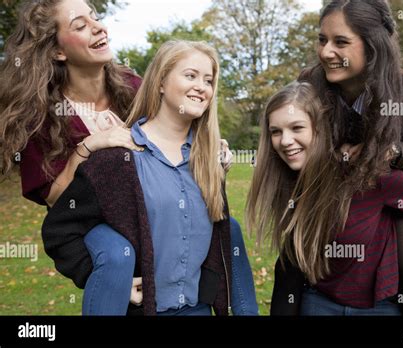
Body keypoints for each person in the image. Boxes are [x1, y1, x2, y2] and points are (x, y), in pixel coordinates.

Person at [0, 0, 257, 315]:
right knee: (116, 253)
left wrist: (207, 148)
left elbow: (170, 135)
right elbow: (59, 202)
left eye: (96, 18)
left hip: (148, 216)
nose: (98, 27)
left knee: (226, 227)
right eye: (80, 25)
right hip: (94, 220)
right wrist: (89, 147)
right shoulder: (41, 114)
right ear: (57, 51)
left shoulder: (133, 87)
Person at [246, 81, 403, 315]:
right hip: (319, 302)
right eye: (276, 131)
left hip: (378, 308)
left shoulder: (366, 174)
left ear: (319, 129)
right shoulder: (289, 178)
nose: (285, 140)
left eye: (297, 128)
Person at [296, 0, 403, 315]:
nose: (326, 52)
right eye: (322, 40)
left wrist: (392, 151)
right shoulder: (310, 84)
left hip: (390, 196)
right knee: (291, 276)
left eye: (341, 42)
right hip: (328, 197)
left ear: (374, 46)